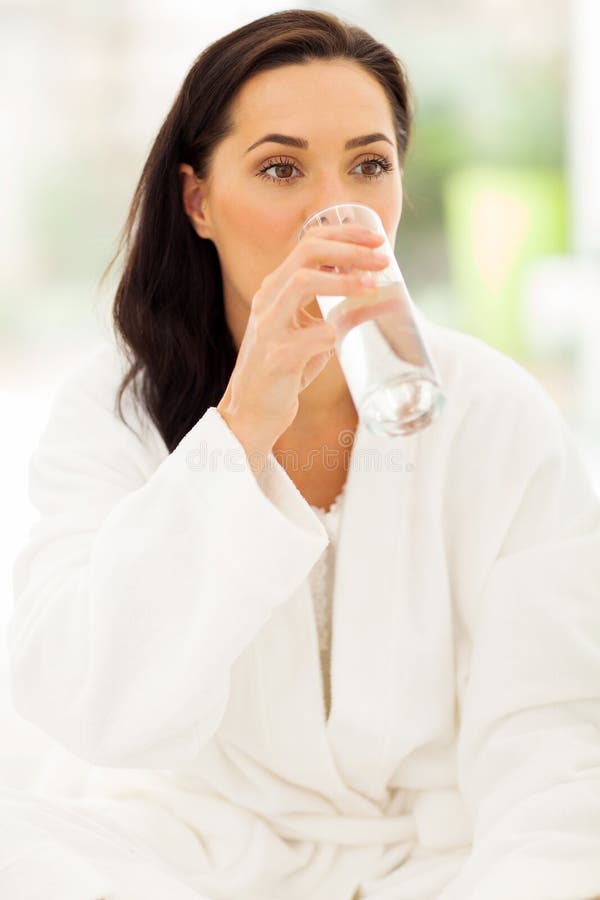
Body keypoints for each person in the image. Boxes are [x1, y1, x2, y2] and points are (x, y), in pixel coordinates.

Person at [3, 8, 600, 900]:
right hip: (188, 852)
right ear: (197, 201)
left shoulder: (494, 412)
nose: (338, 208)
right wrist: (240, 429)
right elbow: (102, 705)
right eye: (281, 168)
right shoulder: (111, 410)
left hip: (436, 859)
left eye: (369, 165)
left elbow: (555, 740)